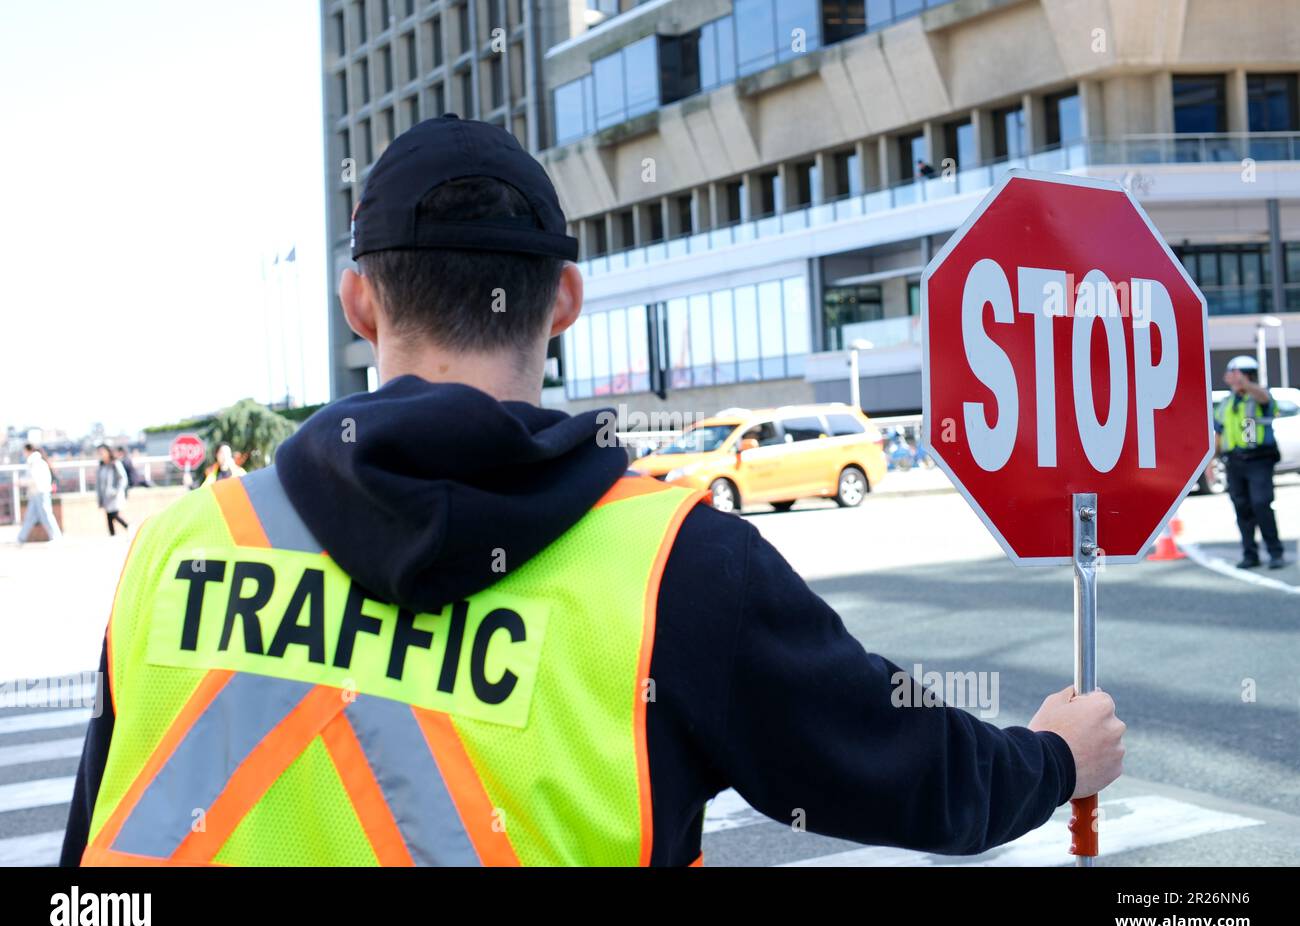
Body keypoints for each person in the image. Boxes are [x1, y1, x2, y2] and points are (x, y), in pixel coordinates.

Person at [61, 115, 1124, 868]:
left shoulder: (179, 544)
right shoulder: (677, 567)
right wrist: (1050, 758)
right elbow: (897, 767)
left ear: (358, 301)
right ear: (564, 299)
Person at [1216, 355, 1286, 570]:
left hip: (1259, 460)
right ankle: (1250, 554)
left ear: (1245, 374)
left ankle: (1275, 553)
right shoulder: (1226, 402)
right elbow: (1219, 433)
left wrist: (1245, 383)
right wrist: (1210, 463)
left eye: (1233, 372)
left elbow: (1265, 398)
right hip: (1235, 462)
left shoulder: (1258, 396)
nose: (1228, 377)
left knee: (1261, 504)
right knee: (1242, 508)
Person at [15, 443, 62, 544]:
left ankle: (56, 536)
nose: (23, 454)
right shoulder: (36, 461)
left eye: (24, 451)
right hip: (36, 492)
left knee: (45, 515)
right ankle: (21, 538)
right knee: (30, 516)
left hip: (40, 492)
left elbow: (34, 479)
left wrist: (22, 482)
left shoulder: (35, 462)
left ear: (28, 450)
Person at [95, 444, 129, 536]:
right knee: (109, 516)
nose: (101, 454)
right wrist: (100, 498)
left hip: (114, 496)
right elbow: (99, 484)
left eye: (102, 452)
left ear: (108, 452)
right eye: (99, 453)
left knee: (114, 515)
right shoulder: (101, 466)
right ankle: (113, 536)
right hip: (106, 497)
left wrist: (117, 490)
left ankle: (128, 527)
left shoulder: (115, 464)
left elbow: (123, 478)